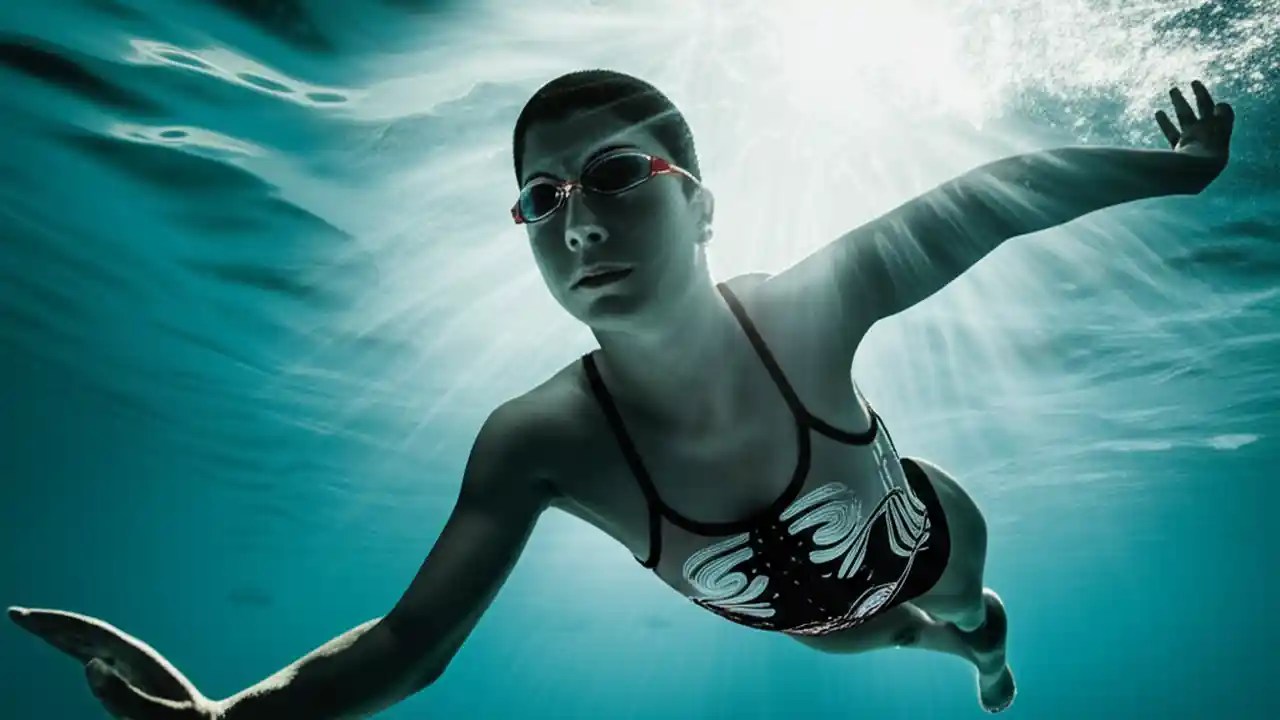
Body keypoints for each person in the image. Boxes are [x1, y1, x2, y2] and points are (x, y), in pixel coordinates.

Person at [9, 69, 1234, 718]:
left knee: (965, 612)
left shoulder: (802, 307)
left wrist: (1176, 174)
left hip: (930, 531)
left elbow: (999, 192)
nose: (576, 219)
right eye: (540, 199)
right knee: (882, 636)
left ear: (697, 203)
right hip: (809, 620)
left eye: (611, 175)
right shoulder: (536, 440)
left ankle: (980, 658)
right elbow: (408, 645)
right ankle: (943, 647)